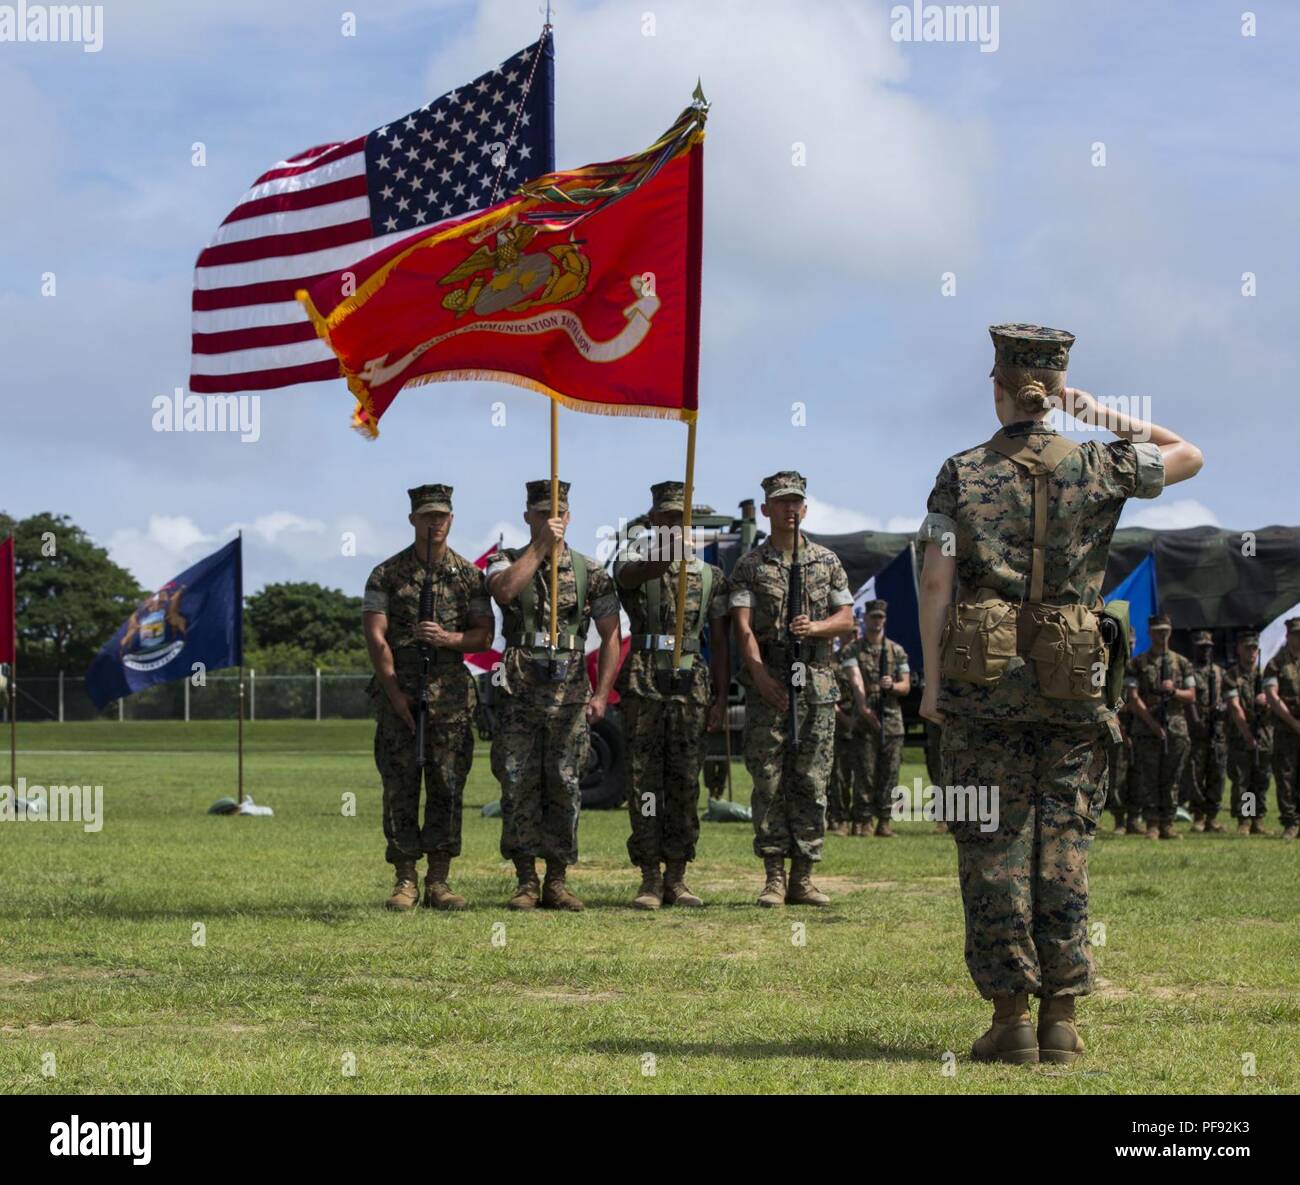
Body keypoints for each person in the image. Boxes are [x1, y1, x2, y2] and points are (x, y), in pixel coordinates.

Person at [917, 323, 1202, 1065]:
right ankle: (1062, 1018)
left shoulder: (961, 472)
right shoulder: (1100, 464)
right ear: (1056, 388)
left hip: (983, 688)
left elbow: (936, 582)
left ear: (999, 384)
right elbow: (1189, 452)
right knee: (1065, 842)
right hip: (1074, 686)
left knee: (990, 843)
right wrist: (1098, 412)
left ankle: (1010, 1017)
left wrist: (933, 684)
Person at [486, 479, 622, 910]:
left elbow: (612, 634)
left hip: (569, 697)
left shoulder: (590, 571)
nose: (551, 519)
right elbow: (504, 591)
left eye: (558, 513)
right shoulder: (505, 560)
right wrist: (541, 547)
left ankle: (558, 879)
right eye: (542, 513)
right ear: (527, 516)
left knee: (565, 785)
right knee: (518, 783)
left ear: (570, 516)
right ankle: (526, 880)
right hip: (519, 696)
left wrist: (602, 694)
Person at [362, 484, 494, 911]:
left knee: (447, 785)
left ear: (451, 520)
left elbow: (483, 635)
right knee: (399, 785)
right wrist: (394, 692)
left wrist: (448, 638)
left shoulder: (470, 576)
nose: (434, 523)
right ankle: (404, 879)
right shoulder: (385, 574)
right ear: (412, 519)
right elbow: (375, 635)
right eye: (426, 516)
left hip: (451, 695)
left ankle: (439, 879)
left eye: (441, 516)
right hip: (400, 691)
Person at [730, 471, 855, 907]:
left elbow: (848, 620)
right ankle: (774, 878)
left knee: (812, 780)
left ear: (805, 507)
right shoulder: (749, 566)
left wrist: (816, 626)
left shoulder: (826, 561)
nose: (790, 509)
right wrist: (760, 676)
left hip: (816, 683)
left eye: (796, 501)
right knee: (768, 779)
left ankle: (803, 877)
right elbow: (742, 628)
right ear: (766, 509)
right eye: (781, 502)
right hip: (771, 679)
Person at [614, 481, 730, 909]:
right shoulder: (632, 558)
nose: (673, 524)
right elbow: (630, 576)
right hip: (645, 675)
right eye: (665, 517)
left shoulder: (709, 575)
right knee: (644, 781)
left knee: (683, 780)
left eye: (679, 518)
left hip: (690, 679)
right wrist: (667, 550)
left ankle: (677, 875)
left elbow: (719, 639)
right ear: (652, 520)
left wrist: (719, 697)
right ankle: (648, 875)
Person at [840, 599, 911, 836]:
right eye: (873, 617)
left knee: (890, 773)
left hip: (891, 720)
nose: (877, 621)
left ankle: (885, 820)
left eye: (881, 617)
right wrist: (863, 708)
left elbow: (906, 686)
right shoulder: (852, 650)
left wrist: (892, 686)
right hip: (865, 718)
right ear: (865, 619)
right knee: (864, 772)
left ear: (885, 620)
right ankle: (862, 820)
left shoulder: (896, 651)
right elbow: (855, 679)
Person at [1125, 616, 1197, 840]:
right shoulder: (1137, 663)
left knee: (1171, 777)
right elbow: (1133, 698)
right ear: (1150, 633)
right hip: (1147, 728)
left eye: (1165, 631)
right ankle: (1152, 824)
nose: (1162, 635)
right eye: (1158, 631)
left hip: (1176, 728)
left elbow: (1191, 695)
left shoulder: (1182, 663)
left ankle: (1168, 823)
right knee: (1149, 777)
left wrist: (1174, 691)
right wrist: (1153, 724)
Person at [1224, 632, 1272, 834]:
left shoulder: (1266, 675)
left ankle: (1258, 819)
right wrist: (1247, 735)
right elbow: (1235, 708)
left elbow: (1278, 702)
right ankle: (1244, 819)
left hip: (1264, 736)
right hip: (1240, 736)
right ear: (1239, 650)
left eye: (1254, 649)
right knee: (1243, 779)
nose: (1251, 653)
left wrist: (1267, 701)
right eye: (1247, 648)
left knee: (1261, 778)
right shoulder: (1232, 675)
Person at [1186, 630, 1229, 832]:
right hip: (1197, 730)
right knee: (1196, 773)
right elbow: (1188, 700)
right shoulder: (1189, 671)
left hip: (1217, 730)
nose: (1205, 651)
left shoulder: (1220, 673)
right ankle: (1198, 816)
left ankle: (1212, 816)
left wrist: (1223, 708)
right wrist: (1196, 721)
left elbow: (1229, 697)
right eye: (1201, 647)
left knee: (1217, 774)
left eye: (1208, 648)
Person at [1264, 617, 1300, 841]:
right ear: (1288, 636)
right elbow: (1271, 696)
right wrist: (1293, 722)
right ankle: (1290, 822)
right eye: (1296, 635)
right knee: (1285, 775)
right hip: (1287, 727)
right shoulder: (1275, 663)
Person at [827, 631, 862, 836]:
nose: (852, 637)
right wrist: (843, 717)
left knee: (863, 774)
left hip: (861, 724)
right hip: (840, 723)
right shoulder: (833, 661)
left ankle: (860, 819)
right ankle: (838, 818)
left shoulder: (865, 657)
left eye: (855, 633)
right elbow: (829, 693)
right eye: (848, 634)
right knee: (838, 775)